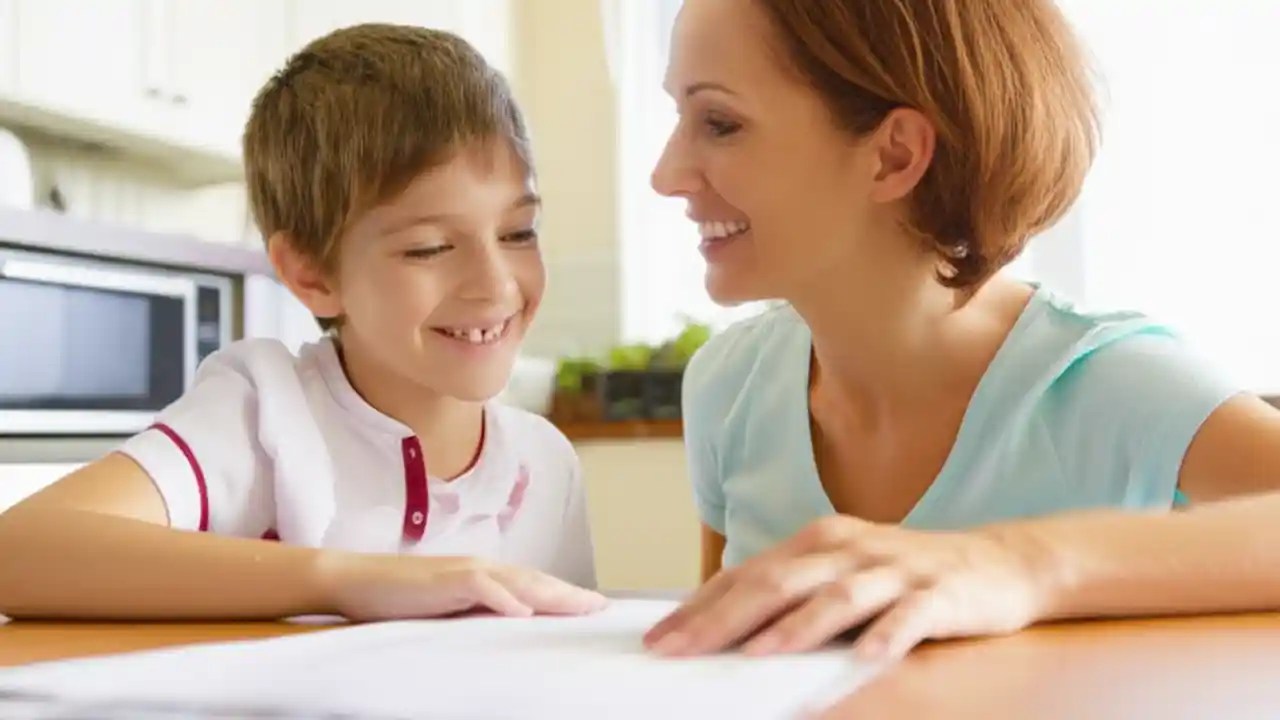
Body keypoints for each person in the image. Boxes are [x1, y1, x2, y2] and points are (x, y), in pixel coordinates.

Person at [642, 0, 1280, 662]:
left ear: (893, 156)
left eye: (720, 123)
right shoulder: (727, 386)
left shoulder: (1112, 385)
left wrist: (1021, 563)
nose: (665, 175)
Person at [0, 24, 605, 622]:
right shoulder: (264, 417)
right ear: (312, 274)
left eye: (518, 233)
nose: (495, 283)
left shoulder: (545, 464)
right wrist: (347, 581)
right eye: (428, 248)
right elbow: (17, 553)